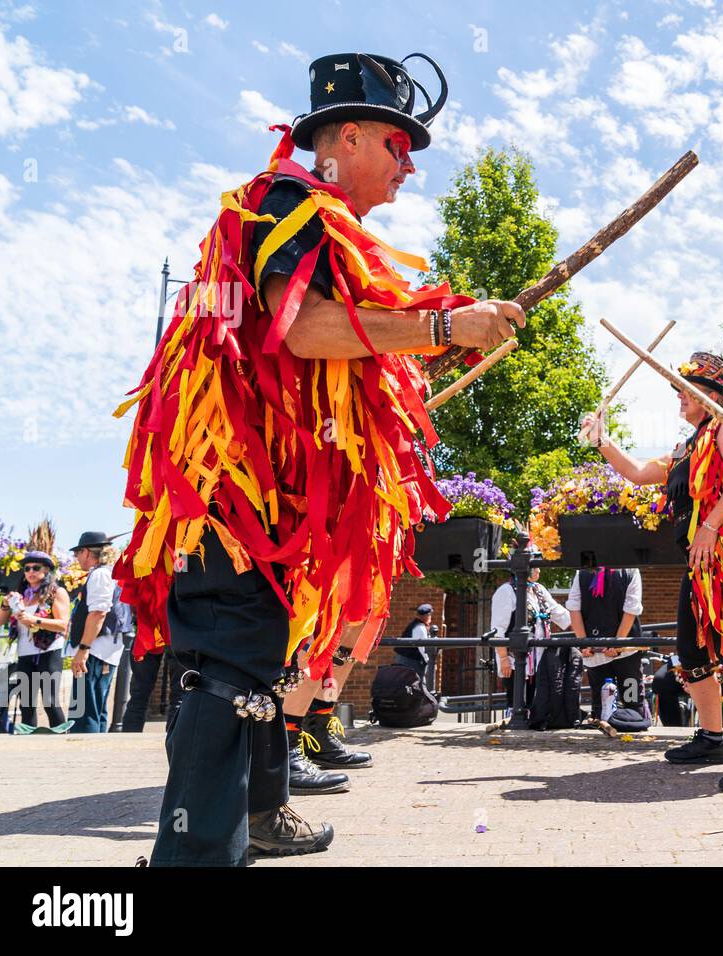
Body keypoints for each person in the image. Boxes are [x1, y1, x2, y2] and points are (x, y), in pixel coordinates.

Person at [112, 50, 522, 866]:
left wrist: (435, 335)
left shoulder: (311, 222)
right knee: (231, 667)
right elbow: (303, 328)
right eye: (396, 146)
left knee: (255, 658)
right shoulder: (288, 202)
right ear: (345, 139)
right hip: (231, 499)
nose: (407, 166)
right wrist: (444, 328)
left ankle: (263, 815)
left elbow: (339, 347)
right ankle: (191, 857)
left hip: (262, 500)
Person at [582, 347, 723, 791]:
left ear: (710, 396)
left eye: (687, 393)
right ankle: (711, 738)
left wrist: (709, 528)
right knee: (692, 653)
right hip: (702, 560)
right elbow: (636, 473)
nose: (680, 400)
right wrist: (602, 440)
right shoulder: (690, 446)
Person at [0, 551, 70, 731]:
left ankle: (64, 739)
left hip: (49, 651)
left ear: (47, 569)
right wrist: (5, 605)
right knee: (25, 703)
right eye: (27, 568)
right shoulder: (19, 596)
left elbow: (63, 625)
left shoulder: (56, 592)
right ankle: (28, 746)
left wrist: (35, 620)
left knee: (50, 701)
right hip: (26, 653)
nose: (30, 571)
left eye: (36, 567)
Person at [490, 568, 573, 719]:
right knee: (516, 699)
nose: (538, 570)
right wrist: (503, 658)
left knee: (535, 698)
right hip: (514, 657)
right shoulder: (506, 591)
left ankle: (532, 725)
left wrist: (581, 624)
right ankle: (514, 727)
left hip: (539, 656)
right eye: (534, 568)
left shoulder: (538, 589)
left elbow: (558, 612)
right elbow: (498, 629)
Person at [67, 532, 127, 733]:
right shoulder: (108, 572)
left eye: (77, 553)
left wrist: (83, 650)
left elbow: (98, 613)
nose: (77, 558)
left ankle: (82, 759)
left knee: (85, 713)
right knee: (96, 710)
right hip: (102, 650)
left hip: (95, 651)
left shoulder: (100, 574)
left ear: (86, 552)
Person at [567, 567, 645, 719]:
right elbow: (631, 608)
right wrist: (616, 643)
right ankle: (634, 720)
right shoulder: (630, 570)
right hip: (622, 647)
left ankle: (628, 720)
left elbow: (574, 608)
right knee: (630, 700)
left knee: (603, 702)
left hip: (606, 647)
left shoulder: (582, 572)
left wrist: (585, 642)